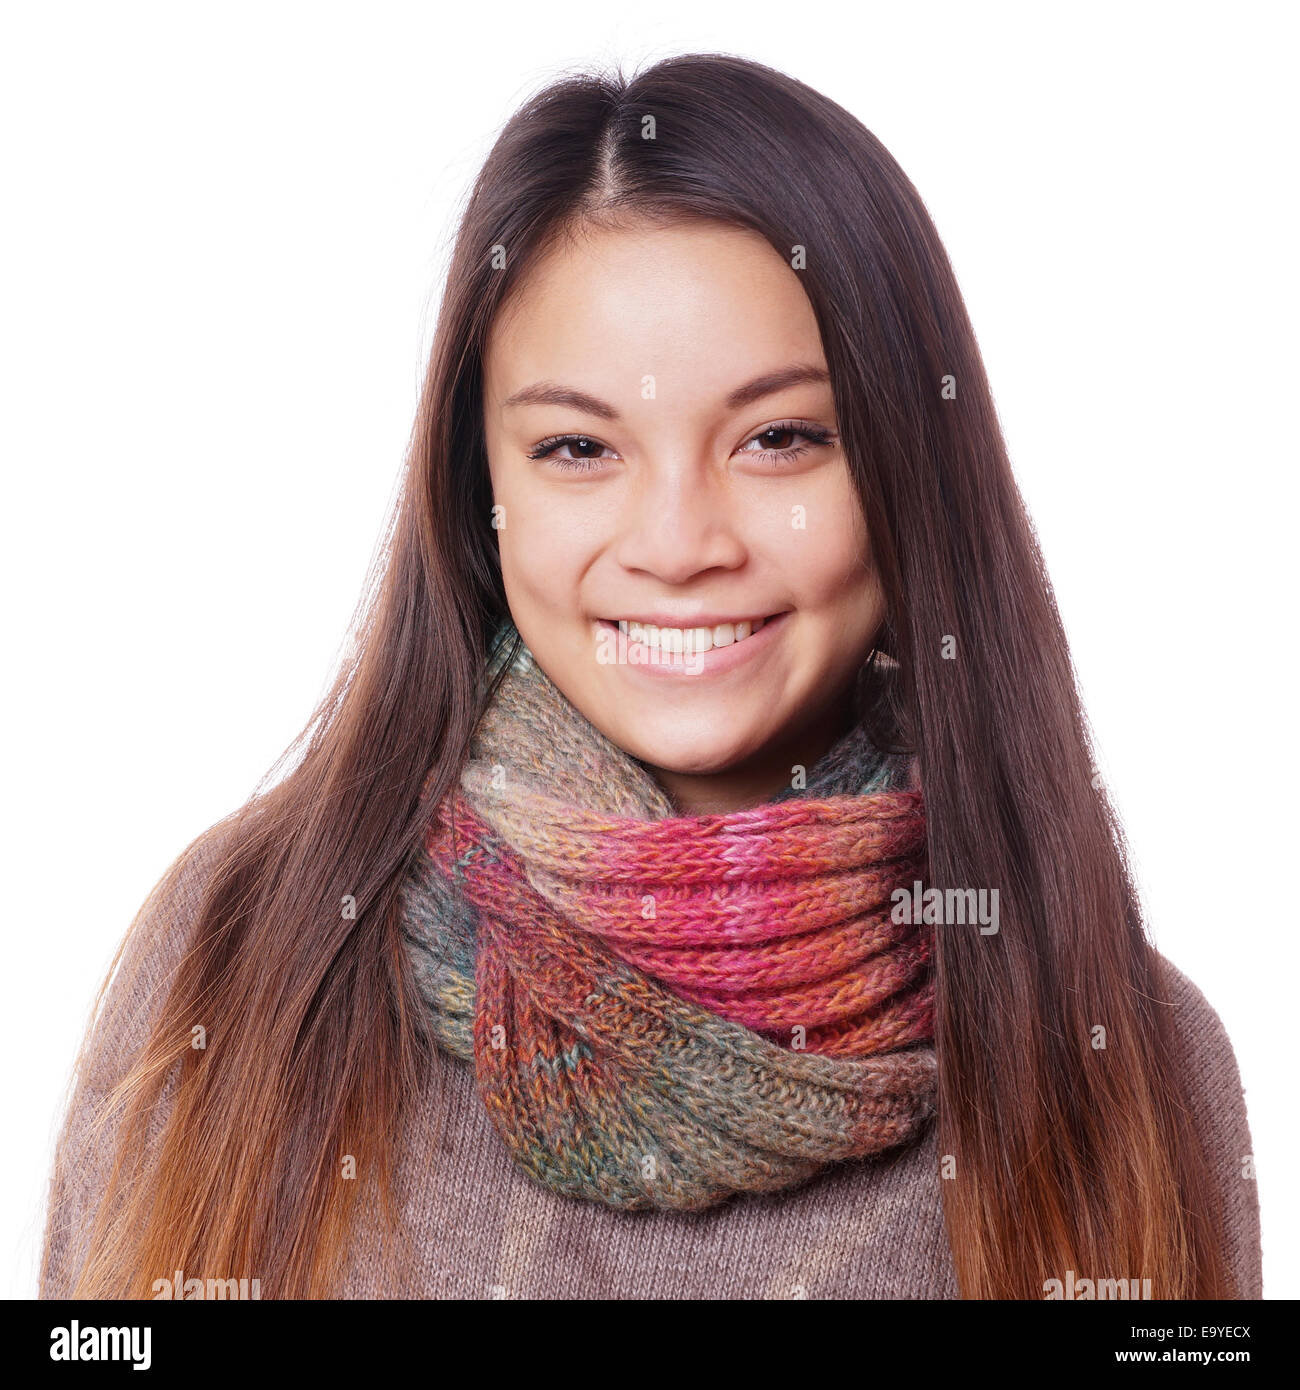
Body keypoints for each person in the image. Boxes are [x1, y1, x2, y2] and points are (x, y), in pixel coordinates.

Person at [40, 52, 1261, 1300]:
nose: (679, 543)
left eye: (780, 438)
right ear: (484, 490)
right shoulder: (239, 949)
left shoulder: (1128, 1055)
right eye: (578, 446)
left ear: (905, 468)